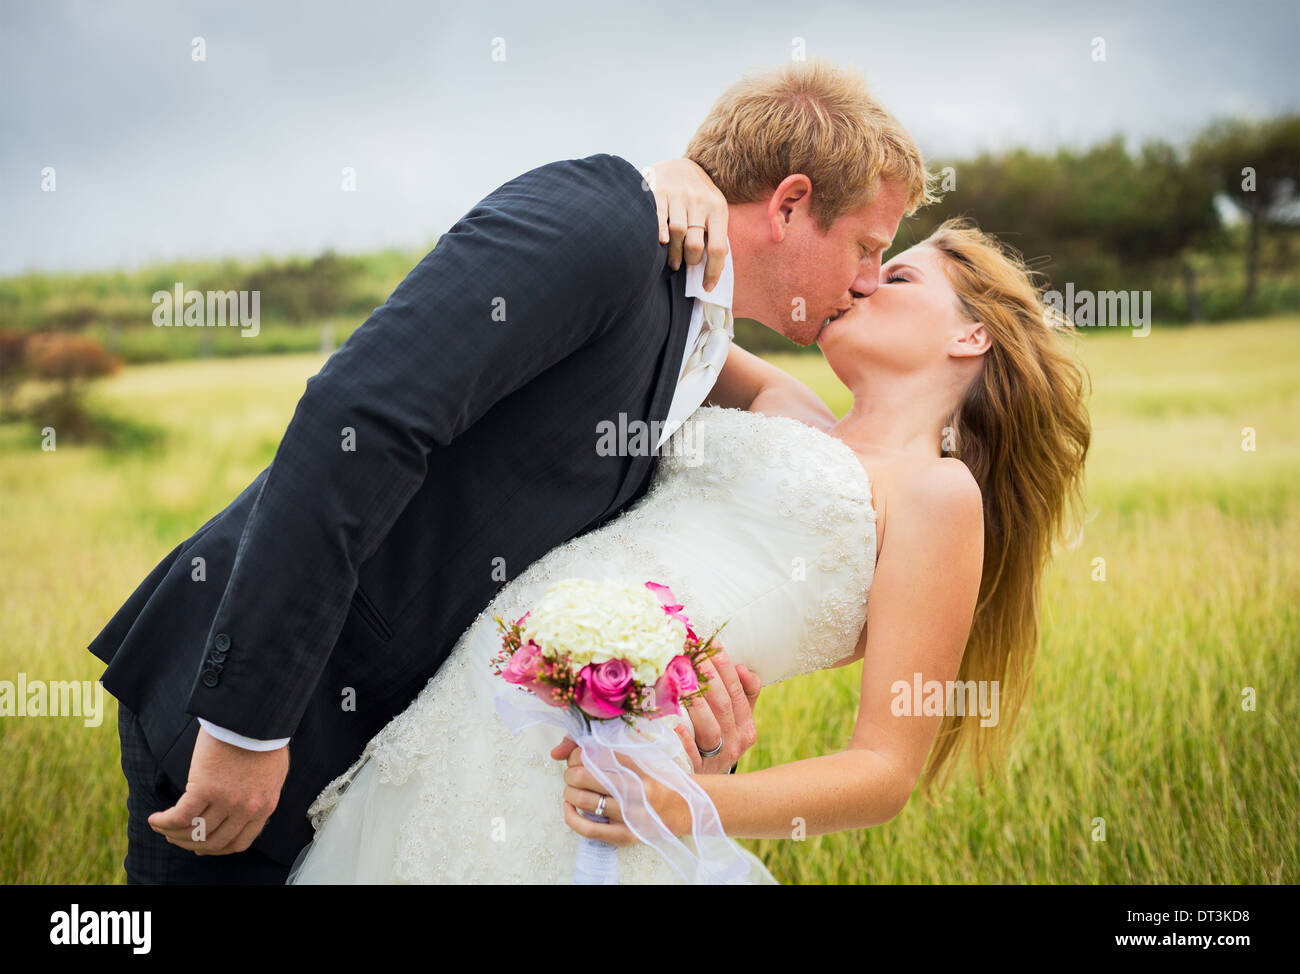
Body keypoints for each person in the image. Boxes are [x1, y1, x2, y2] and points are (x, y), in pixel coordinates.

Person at [87, 59, 931, 883]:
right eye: (866, 246)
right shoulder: (608, 220)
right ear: (790, 203)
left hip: (394, 758)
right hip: (268, 707)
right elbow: (358, 416)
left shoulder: (698, 335)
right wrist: (246, 723)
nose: (865, 282)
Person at [287, 215, 1091, 883]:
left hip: (615, 777)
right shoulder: (783, 401)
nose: (866, 280)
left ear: (972, 335)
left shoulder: (937, 494)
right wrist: (679, 183)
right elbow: (668, 292)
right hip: (469, 711)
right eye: (870, 260)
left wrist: (681, 805)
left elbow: (884, 771)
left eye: (900, 275)